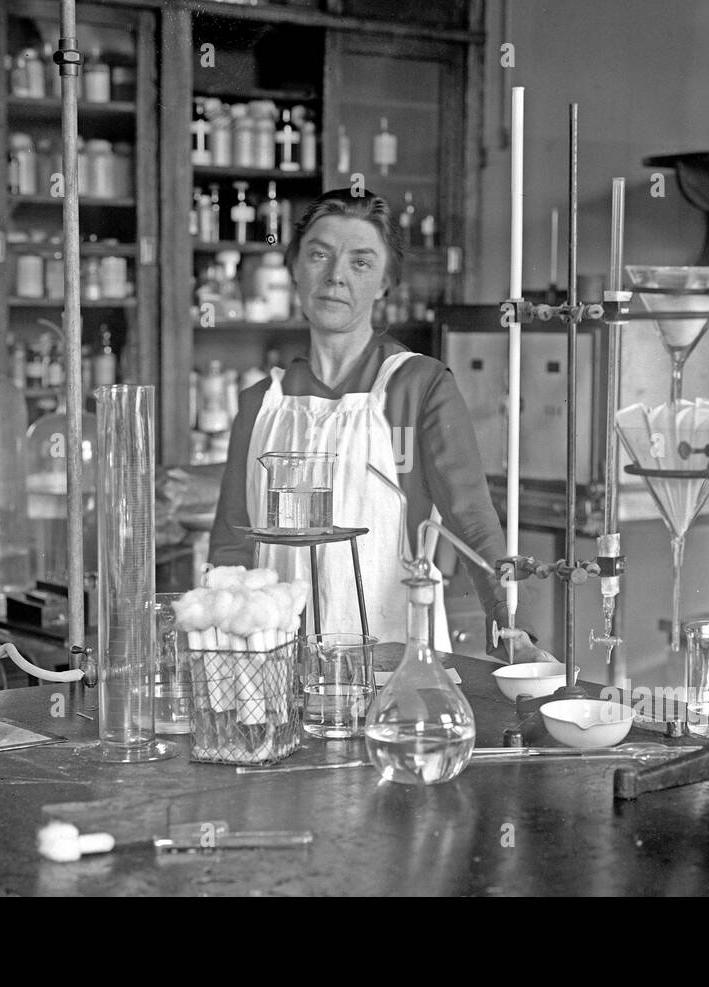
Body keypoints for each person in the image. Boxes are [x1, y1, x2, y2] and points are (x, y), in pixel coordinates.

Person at [209, 188, 542, 660]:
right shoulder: (262, 404)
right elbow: (231, 549)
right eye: (319, 255)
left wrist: (514, 627)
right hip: (271, 667)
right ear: (294, 267)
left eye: (360, 262)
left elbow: (473, 522)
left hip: (394, 665)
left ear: (386, 282)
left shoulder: (418, 386)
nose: (335, 276)